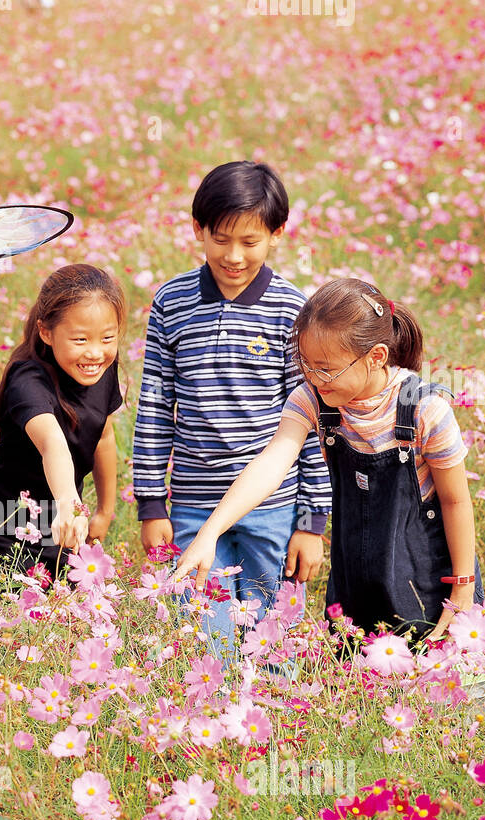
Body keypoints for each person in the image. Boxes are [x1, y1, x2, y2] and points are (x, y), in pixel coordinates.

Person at [173, 277, 483, 645]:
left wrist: (462, 587)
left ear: (377, 357)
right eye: (306, 366)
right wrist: (211, 532)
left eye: (326, 368)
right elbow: (271, 462)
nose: (315, 378)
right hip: (357, 575)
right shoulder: (314, 399)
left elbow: (455, 501)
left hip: (431, 576)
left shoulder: (425, 410)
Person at [133, 160, 331, 655]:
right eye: (220, 239)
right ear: (197, 229)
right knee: (202, 639)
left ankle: (276, 724)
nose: (235, 256)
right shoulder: (171, 303)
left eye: (251, 241)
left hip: (275, 506)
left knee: (272, 639)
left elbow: (311, 421)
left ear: (278, 234)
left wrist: (311, 523)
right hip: (195, 503)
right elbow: (155, 408)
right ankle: (207, 727)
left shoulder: (292, 310)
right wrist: (151, 504)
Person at [0, 264, 126, 584]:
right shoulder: (27, 380)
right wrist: (70, 503)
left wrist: (104, 511)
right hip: (7, 521)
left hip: (64, 521)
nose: (95, 352)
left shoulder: (99, 369)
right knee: (12, 622)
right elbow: (52, 443)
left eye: (107, 338)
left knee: (65, 622)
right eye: (80, 339)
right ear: (46, 332)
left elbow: (104, 436)